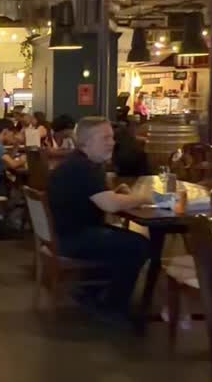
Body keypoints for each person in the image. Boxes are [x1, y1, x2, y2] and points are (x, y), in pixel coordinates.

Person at [47, 117, 151, 321]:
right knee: (138, 245)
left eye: (111, 137)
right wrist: (145, 198)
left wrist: (117, 194)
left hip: (65, 234)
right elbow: (110, 205)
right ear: (86, 142)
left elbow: (98, 198)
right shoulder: (84, 168)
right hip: (72, 239)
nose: (112, 143)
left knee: (124, 240)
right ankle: (112, 306)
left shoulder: (79, 163)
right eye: (105, 138)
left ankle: (91, 292)